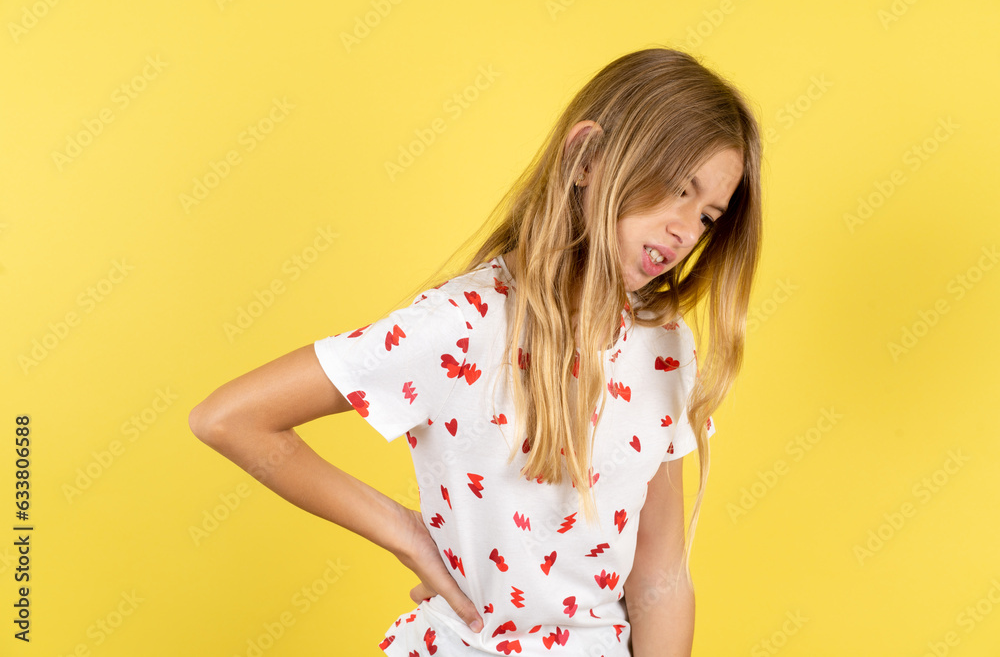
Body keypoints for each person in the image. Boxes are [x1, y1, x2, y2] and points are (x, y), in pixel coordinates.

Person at [189, 46, 761, 656]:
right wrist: (405, 533)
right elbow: (229, 419)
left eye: (706, 216)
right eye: (676, 189)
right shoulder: (463, 326)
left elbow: (662, 575)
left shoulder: (664, 345)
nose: (684, 231)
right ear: (587, 158)